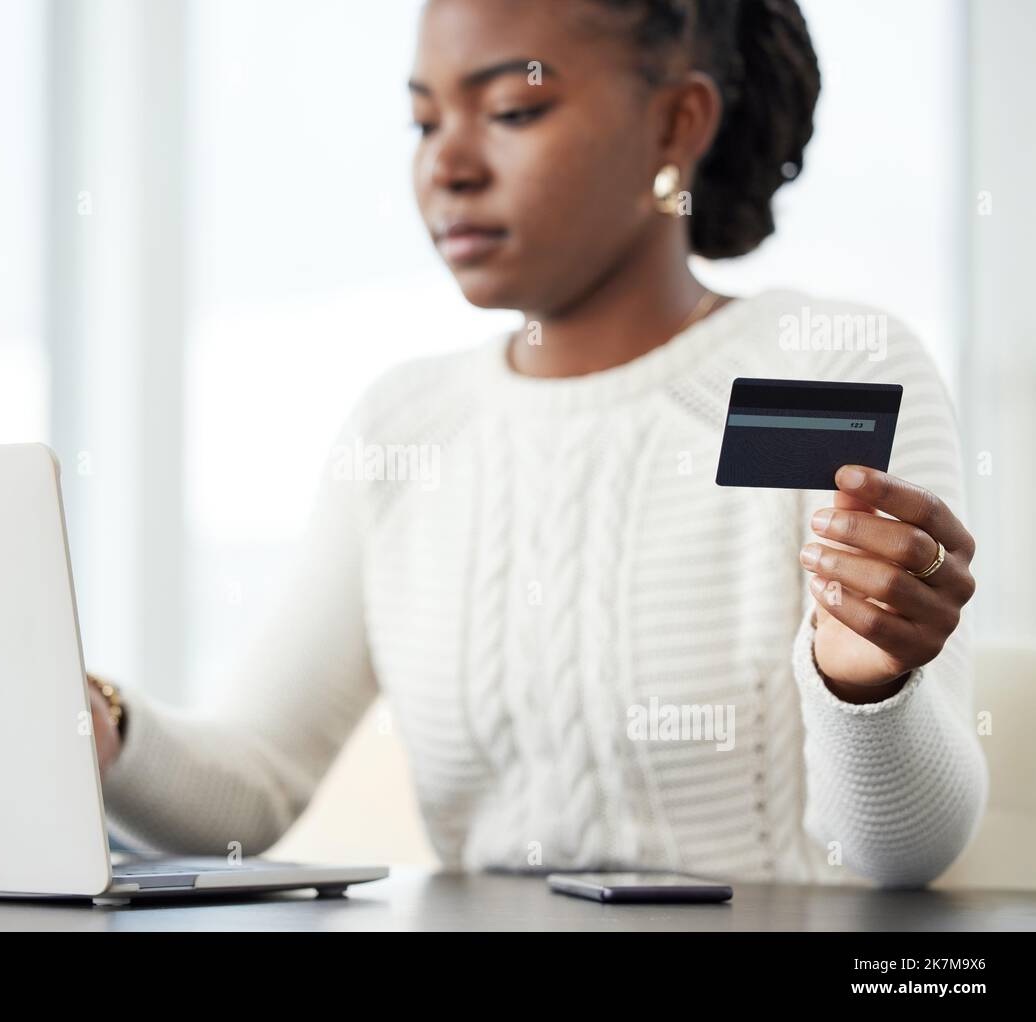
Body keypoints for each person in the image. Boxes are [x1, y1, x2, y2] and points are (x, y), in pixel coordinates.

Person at [86, 0, 984, 887]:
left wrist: (863, 687)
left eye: (512, 111)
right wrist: (97, 727)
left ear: (677, 123)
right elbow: (251, 791)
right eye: (423, 120)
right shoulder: (405, 426)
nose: (448, 164)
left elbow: (905, 854)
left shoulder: (830, 369)